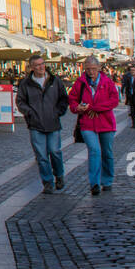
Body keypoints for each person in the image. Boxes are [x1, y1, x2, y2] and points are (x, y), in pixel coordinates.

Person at [15, 55, 68, 194]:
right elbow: (20, 101)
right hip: (35, 124)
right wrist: (29, 113)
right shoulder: (26, 83)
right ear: (31, 67)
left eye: (42, 64)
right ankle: (48, 182)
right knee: (41, 156)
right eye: (37, 65)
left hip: (53, 122)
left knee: (55, 152)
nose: (41, 67)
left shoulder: (54, 81)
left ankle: (59, 175)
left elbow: (63, 98)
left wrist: (58, 111)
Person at [70, 56, 119, 195]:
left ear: (99, 68)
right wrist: (77, 108)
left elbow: (114, 101)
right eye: (88, 69)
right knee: (94, 151)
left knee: (107, 153)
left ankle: (107, 180)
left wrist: (94, 108)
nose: (91, 72)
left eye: (93, 69)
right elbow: (72, 100)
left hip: (106, 123)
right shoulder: (80, 83)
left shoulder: (107, 82)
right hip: (87, 124)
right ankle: (95, 183)